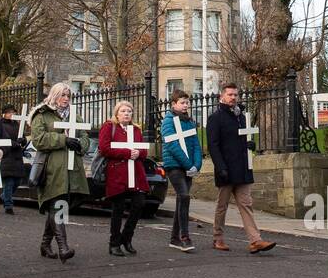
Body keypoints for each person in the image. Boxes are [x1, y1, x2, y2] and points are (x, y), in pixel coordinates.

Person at [206, 82, 275, 254]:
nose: (233, 97)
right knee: (222, 206)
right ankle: (218, 238)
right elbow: (213, 146)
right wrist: (220, 167)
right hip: (226, 169)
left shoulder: (242, 117)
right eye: (230, 94)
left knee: (246, 204)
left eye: (236, 95)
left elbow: (241, 139)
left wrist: (249, 144)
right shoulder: (216, 118)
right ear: (222, 96)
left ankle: (255, 240)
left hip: (242, 168)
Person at [28, 82, 90, 263]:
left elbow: (85, 136)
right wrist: (64, 139)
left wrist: (80, 145)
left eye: (68, 96)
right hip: (52, 168)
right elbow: (38, 140)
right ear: (54, 95)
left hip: (72, 168)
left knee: (60, 204)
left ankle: (45, 244)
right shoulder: (42, 115)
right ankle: (63, 247)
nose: (66, 99)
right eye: (63, 95)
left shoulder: (74, 115)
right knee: (57, 204)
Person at [99, 100, 148, 257]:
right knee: (118, 209)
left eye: (129, 111)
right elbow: (104, 148)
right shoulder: (109, 127)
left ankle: (126, 238)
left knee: (139, 204)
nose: (126, 114)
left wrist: (138, 153)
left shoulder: (136, 130)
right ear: (116, 113)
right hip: (117, 173)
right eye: (123, 111)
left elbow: (144, 151)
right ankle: (114, 244)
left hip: (136, 173)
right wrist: (127, 153)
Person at [160, 90, 202, 252]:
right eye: (182, 102)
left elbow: (196, 144)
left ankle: (174, 238)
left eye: (187, 102)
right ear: (174, 104)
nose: (186, 105)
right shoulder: (168, 121)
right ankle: (185, 236)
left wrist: (196, 165)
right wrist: (187, 165)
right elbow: (172, 145)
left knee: (181, 200)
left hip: (189, 166)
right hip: (175, 166)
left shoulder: (189, 122)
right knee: (184, 196)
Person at [0, 102, 28, 214]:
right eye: (9, 112)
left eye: (13, 112)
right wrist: (15, 143)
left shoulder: (17, 125)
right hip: (6, 156)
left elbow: (22, 137)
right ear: (4, 113)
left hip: (17, 157)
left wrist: (23, 141)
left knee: (17, 182)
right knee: (8, 182)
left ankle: (4, 196)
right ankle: (8, 205)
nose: (11, 114)